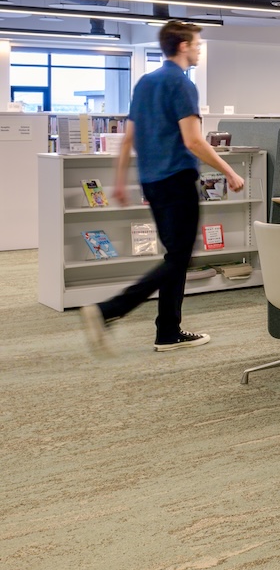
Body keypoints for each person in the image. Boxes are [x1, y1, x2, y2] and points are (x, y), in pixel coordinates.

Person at [81, 21, 246, 355]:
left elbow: (128, 138)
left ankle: (168, 332)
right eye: (197, 44)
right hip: (177, 179)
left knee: (176, 257)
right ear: (183, 46)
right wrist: (229, 171)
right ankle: (109, 310)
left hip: (152, 182)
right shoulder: (180, 84)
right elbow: (194, 141)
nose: (199, 49)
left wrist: (119, 181)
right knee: (179, 259)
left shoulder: (145, 82)